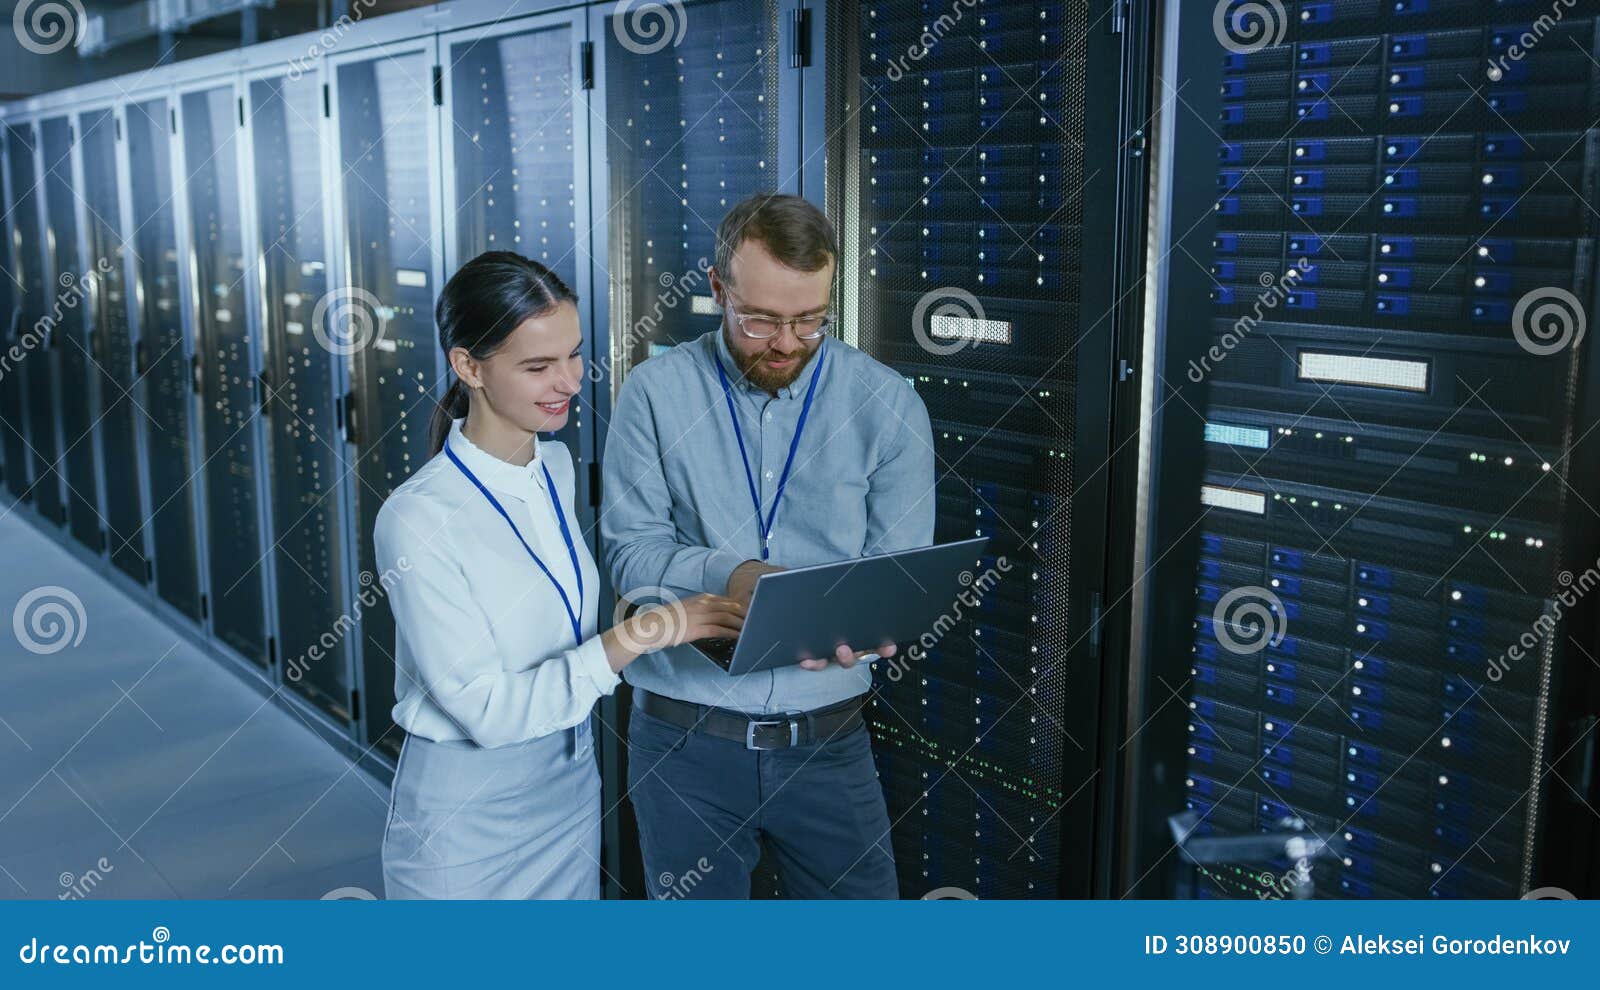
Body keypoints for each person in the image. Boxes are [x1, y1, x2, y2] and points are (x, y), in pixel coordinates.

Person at [374, 251, 745, 899]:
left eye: (573, 354)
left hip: (570, 781)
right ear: (469, 366)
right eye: (538, 366)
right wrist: (644, 633)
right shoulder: (417, 518)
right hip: (466, 814)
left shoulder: (555, 468)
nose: (571, 382)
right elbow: (486, 711)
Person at [601, 193, 936, 898]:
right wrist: (731, 576)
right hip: (685, 743)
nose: (786, 342)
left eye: (810, 320)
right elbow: (629, 554)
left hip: (828, 742)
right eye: (760, 320)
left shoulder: (887, 403)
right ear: (718, 290)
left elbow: (897, 574)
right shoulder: (654, 394)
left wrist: (872, 627)